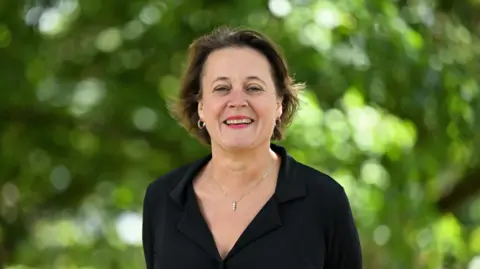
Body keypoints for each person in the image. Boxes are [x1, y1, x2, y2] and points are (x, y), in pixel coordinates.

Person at [142, 26, 362, 269]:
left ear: (279, 103)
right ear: (201, 106)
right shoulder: (161, 200)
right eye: (222, 88)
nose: (237, 102)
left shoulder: (325, 201)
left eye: (253, 88)